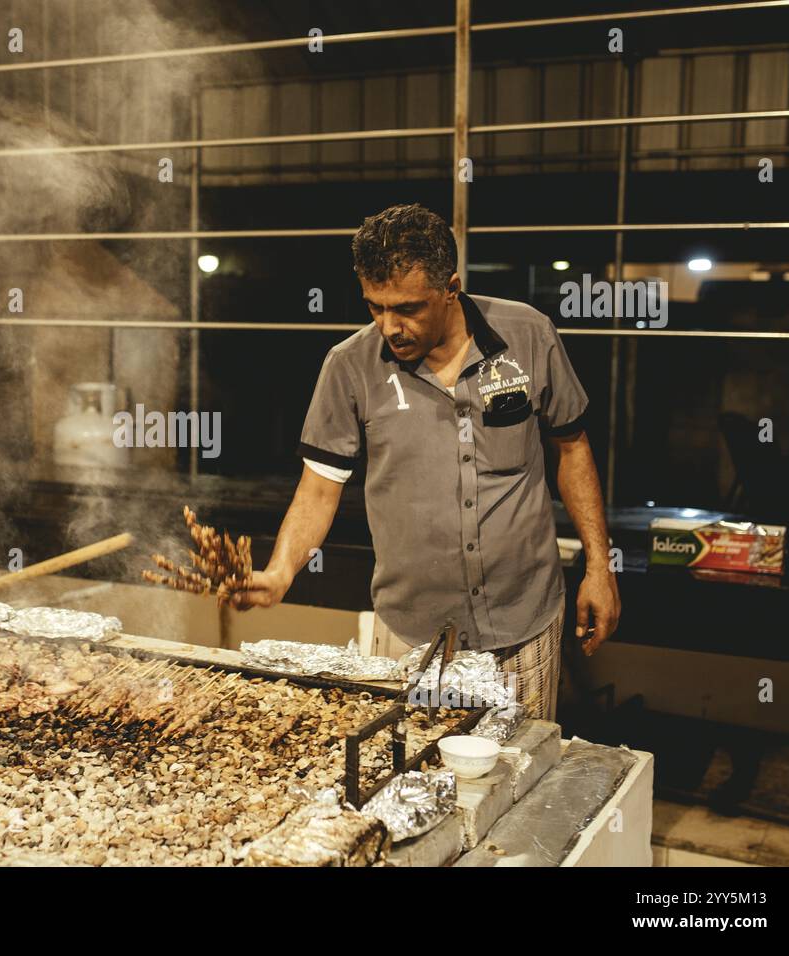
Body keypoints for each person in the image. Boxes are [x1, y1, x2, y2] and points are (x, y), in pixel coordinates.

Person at [231, 203, 620, 720]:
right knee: (408, 780)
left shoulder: (528, 335)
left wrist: (599, 567)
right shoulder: (349, 366)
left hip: (522, 621)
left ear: (451, 288)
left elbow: (572, 449)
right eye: (375, 307)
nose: (390, 327)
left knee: (521, 781)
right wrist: (280, 572)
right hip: (411, 632)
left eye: (408, 308)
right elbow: (319, 488)